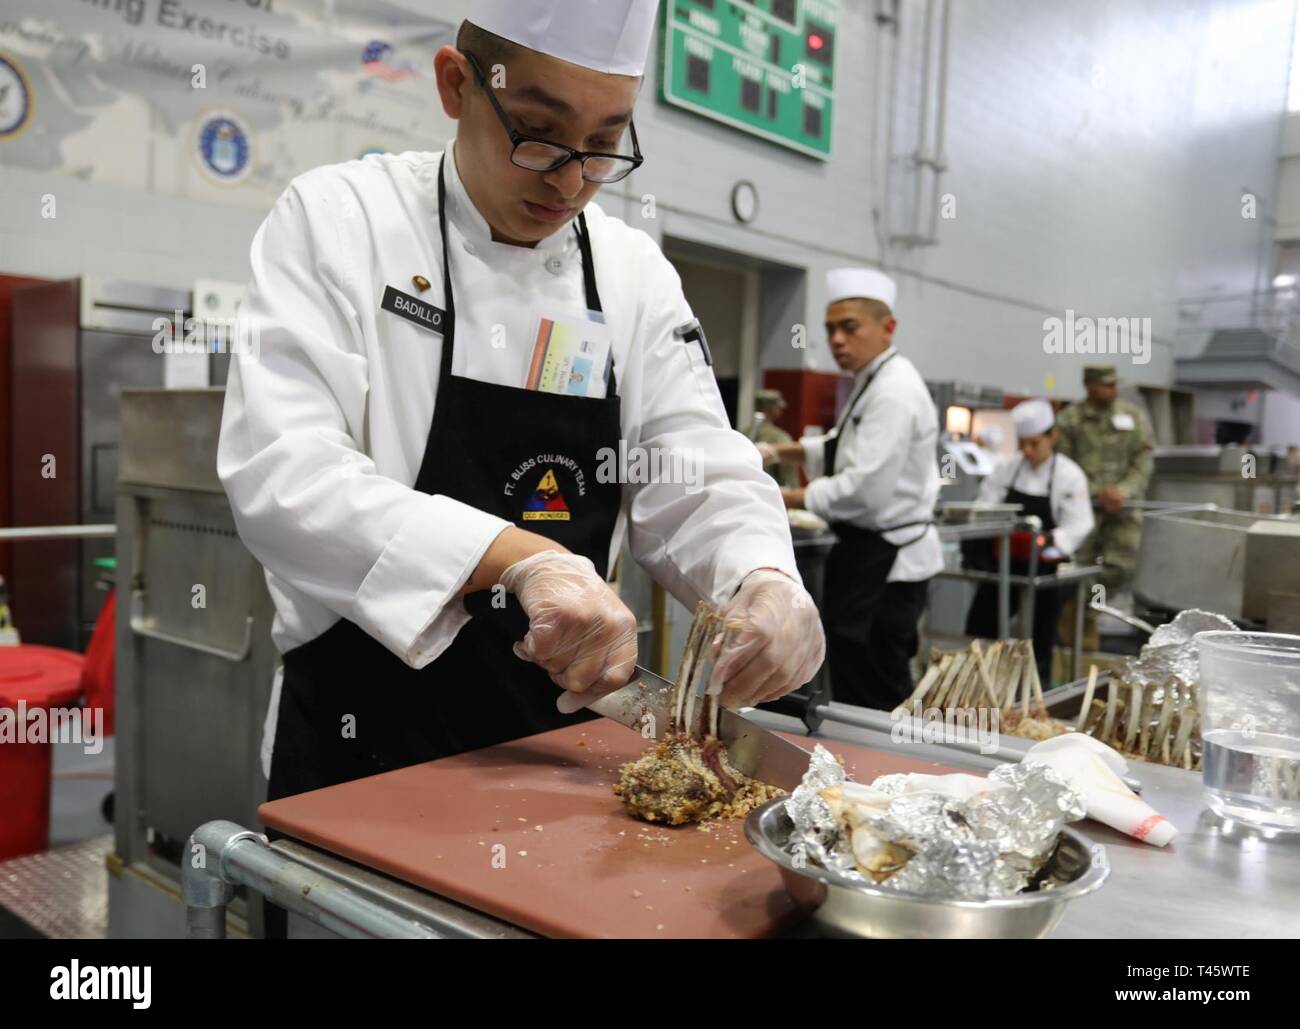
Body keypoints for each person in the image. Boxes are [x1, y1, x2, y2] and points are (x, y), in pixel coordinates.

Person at [216, 0, 825, 813]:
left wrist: (762, 575)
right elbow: (284, 475)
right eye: (539, 131)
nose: (572, 179)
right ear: (456, 84)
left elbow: (693, 466)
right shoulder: (340, 220)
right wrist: (517, 558)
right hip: (358, 743)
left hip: (561, 750)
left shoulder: (631, 271)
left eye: (606, 143)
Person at [760, 268, 941, 710]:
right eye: (830, 330)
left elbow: (863, 489)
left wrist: (780, 497)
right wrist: (776, 454)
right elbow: (841, 446)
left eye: (850, 328)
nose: (838, 340)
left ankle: (886, 773)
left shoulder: (894, 391)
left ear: (888, 327)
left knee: (873, 684)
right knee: (854, 672)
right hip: (867, 555)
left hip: (885, 561)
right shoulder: (873, 380)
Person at [964, 399, 1094, 685]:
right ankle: (981, 685)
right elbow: (985, 506)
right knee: (984, 625)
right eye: (1023, 444)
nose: (1028, 451)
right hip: (1004, 564)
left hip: (1044, 569)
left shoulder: (1069, 476)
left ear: (1053, 436)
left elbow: (1079, 524)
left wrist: (1047, 540)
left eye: (1035, 444)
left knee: (1039, 635)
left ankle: (1038, 693)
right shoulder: (1007, 469)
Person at [1054, 365, 1154, 605]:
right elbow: (1062, 467)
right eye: (1106, 385)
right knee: (1076, 565)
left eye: (1114, 384)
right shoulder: (1069, 420)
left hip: (1123, 505)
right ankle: (1076, 619)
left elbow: (1143, 457)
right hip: (1082, 505)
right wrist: (1099, 492)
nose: (1113, 389)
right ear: (1090, 386)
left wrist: (1124, 490)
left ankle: (1085, 612)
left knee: (1123, 565)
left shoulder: (1132, 416)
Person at [752, 389, 798, 489]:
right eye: (778, 407)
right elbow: (788, 473)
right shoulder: (780, 437)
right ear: (771, 408)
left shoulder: (742, 433)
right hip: (771, 494)